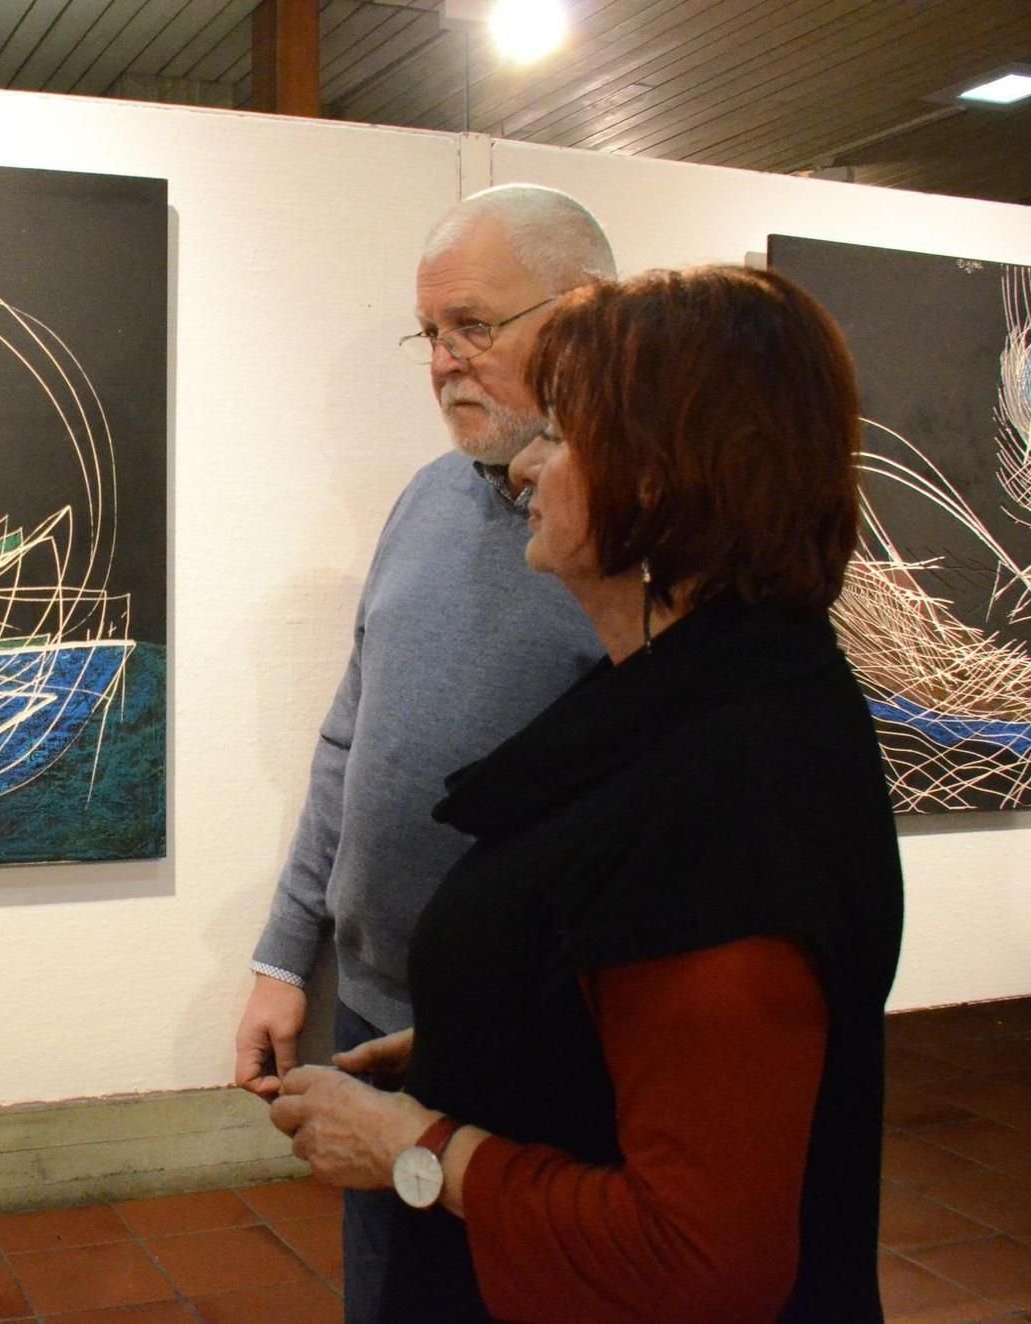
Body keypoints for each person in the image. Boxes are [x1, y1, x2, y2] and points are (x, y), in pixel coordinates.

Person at [269, 266, 905, 1321]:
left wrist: (411, 1151)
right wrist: (485, 1040)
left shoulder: (727, 792)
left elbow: (698, 1256)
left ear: (652, 481)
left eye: (560, 435)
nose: (526, 465)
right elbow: (628, 993)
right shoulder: (696, 695)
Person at [232, 185, 611, 1319]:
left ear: (583, 314)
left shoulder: (627, 535)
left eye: (474, 326)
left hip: (524, 1047)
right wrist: (280, 954)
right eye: (429, 334)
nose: (443, 361)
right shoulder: (425, 498)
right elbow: (353, 733)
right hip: (370, 1017)